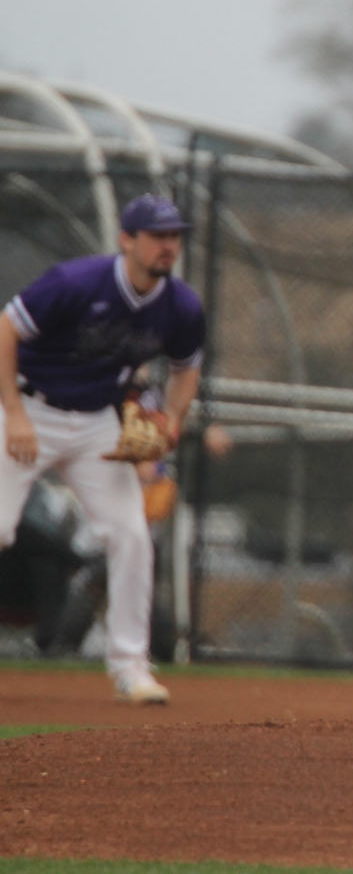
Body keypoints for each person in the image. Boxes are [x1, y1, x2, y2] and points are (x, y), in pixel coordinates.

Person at [0, 194, 205, 704]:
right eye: (158, 236)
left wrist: (172, 423)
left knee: (131, 534)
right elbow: (4, 330)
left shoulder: (180, 305)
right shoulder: (75, 282)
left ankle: (132, 667)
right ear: (127, 240)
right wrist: (16, 415)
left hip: (96, 424)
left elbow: (186, 369)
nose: (168, 246)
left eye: (174, 236)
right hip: (29, 409)